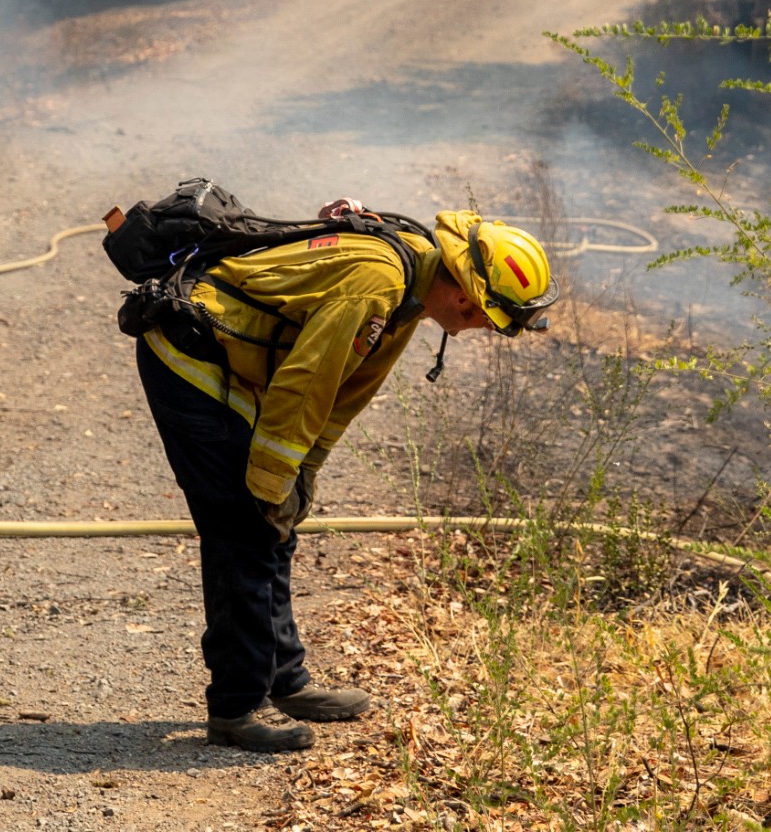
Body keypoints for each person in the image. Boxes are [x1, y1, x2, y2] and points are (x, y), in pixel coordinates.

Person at [134, 203, 561, 751]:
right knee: (243, 532)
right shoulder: (377, 286)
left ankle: (284, 681)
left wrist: (301, 476)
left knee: (272, 531)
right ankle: (235, 710)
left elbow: (345, 393)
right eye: (489, 319)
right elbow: (306, 385)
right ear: (467, 298)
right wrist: (271, 482)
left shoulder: (413, 287)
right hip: (191, 358)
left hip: (239, 362)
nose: (481, 329)